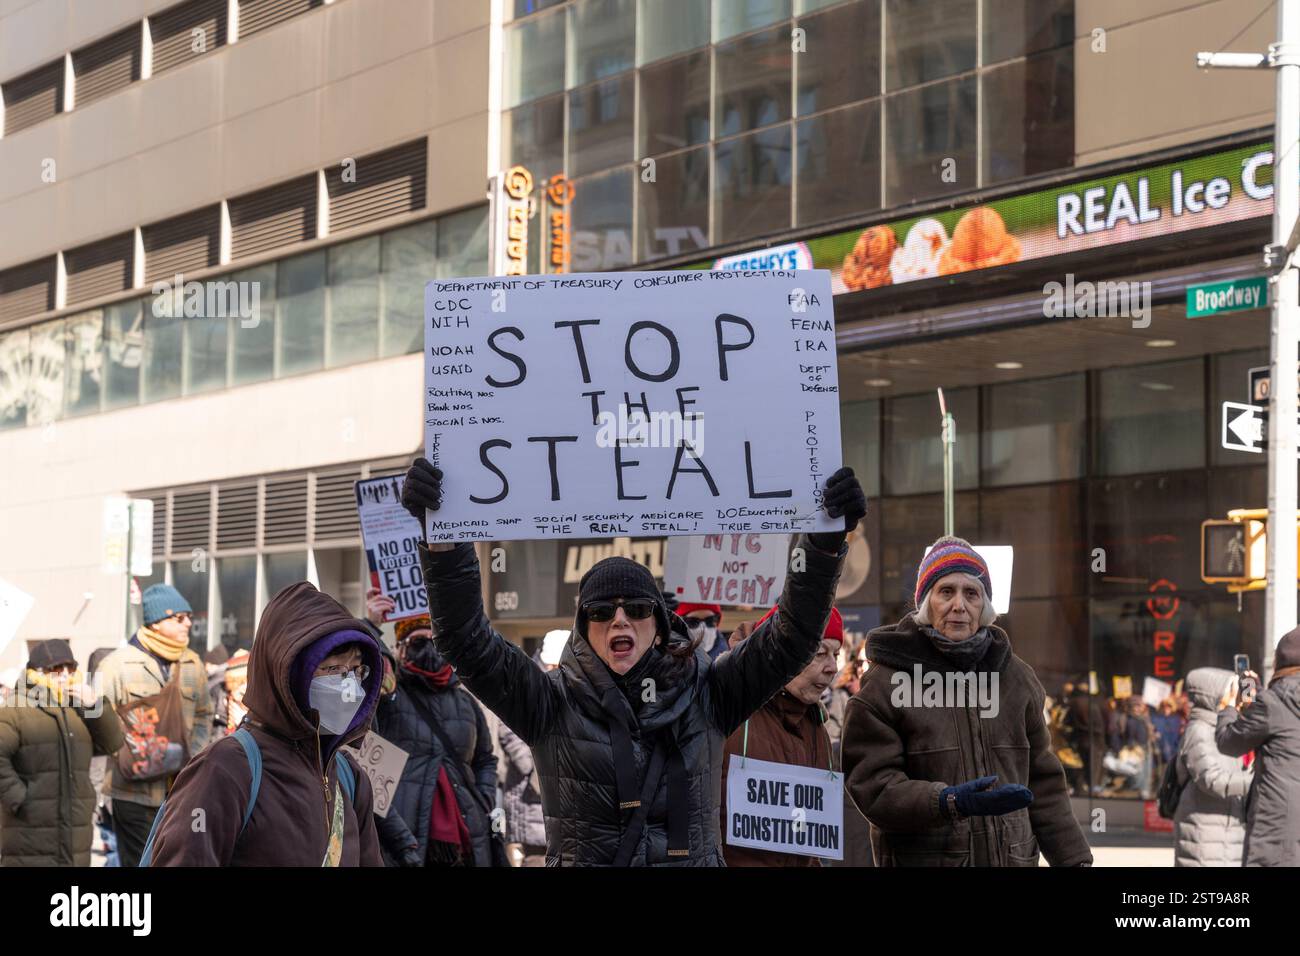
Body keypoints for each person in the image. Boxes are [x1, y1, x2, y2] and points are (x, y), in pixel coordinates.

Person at [401, 457, 863, 866]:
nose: (619, 620)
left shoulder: (711, 691)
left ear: (659, 624)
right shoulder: (550, 701)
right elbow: (466, 640)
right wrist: (444, 545)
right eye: (601, 612)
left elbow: (792, 637)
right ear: (584, 627)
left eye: (637, 610)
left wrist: (821, 550)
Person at [842, 536, 1093, 867]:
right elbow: (872, 786)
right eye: (946, 591)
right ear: (926, 603)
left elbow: (1044, 785)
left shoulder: (1016, 678)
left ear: (985, 606)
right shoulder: (885, 683)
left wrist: (1075, 861)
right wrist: (948, 802)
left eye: (971, 593)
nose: (959, 605)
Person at [143, 582, 384, 866]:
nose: (349, 686)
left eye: (356, 670)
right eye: (333, 669)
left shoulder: (348, 776)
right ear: (290, 673)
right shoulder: (225, 768)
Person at [372, 613, 500, 867]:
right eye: (419, 642)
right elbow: (366, 665)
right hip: (408, 835)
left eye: (436, 642)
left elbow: (485, 759)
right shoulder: (388, 698)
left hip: (467, 833)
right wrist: (372, 624)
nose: (430, 650)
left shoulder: (465, 702)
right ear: (400, 649)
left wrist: (483, 798)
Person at [720, 606, 841, 866]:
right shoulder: (723, 704)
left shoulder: (816, 724)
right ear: (781, 652)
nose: (832, 667)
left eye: (836, 654)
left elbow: (809, 842)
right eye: (820, 653)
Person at [0, 639, 123, 866]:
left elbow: (112, 743)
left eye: (71, 668)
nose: (65, 675)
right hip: (29, 832)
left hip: (75, 831)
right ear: (37, 672)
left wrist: (93, 704)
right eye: (57, 669)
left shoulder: (76, 707)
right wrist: (20, 799)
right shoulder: (15, 708)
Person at [1215, 627, 1300, 867]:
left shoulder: (1273, 702)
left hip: (1276, 821)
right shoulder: (1272, 702)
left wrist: (1228, 708)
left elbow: (1229, 742)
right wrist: (1259, 696)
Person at [1172, 668, 1252, 867]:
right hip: (1204, 831)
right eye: (1230, 691)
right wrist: (1256, 779)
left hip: (1226, 829)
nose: (1235, 697)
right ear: (1212, 696)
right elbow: (1212, 780)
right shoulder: (1199, 730)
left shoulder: (1224, 729)